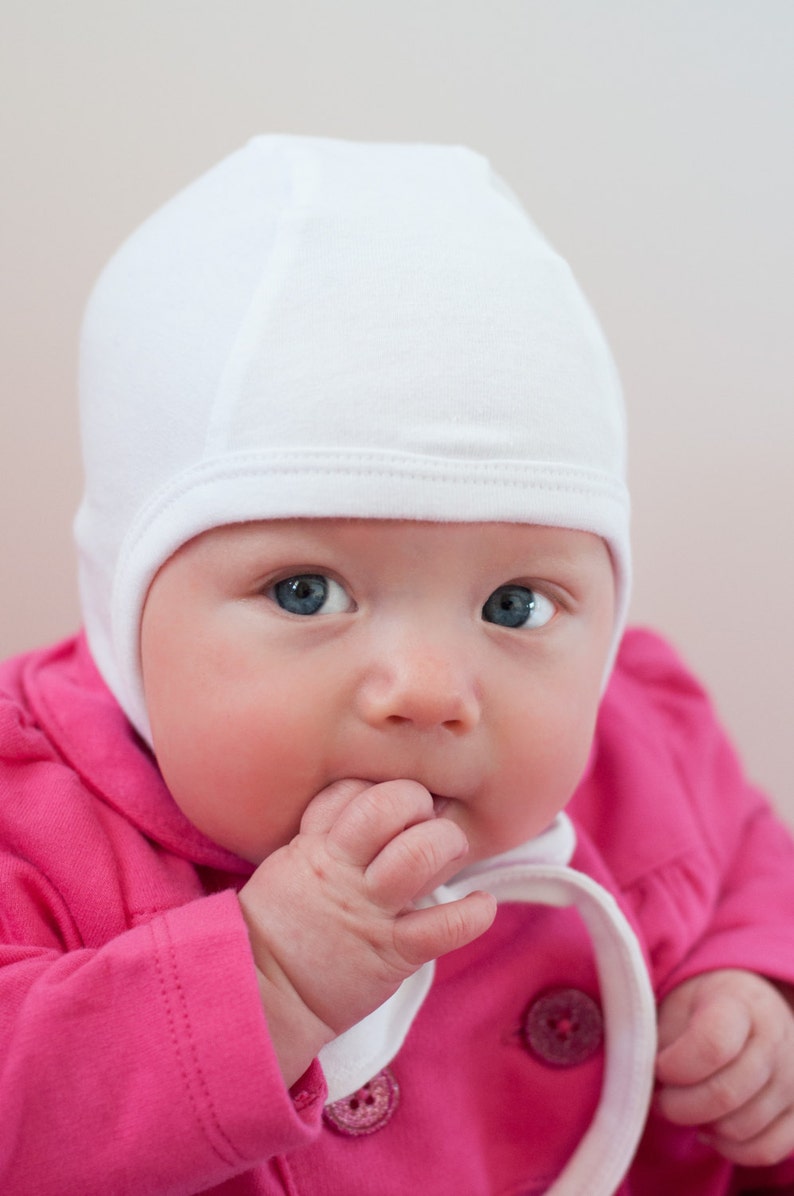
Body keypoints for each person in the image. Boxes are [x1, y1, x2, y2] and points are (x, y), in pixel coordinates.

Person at [1, 135, 794, 1196]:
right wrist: (264, 979)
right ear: (124, 606)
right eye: (304, 591)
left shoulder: (635, 744)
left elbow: (749, 853)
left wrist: (751, 986)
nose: (425, 687)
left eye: (514, 605)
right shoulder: (33, 834)